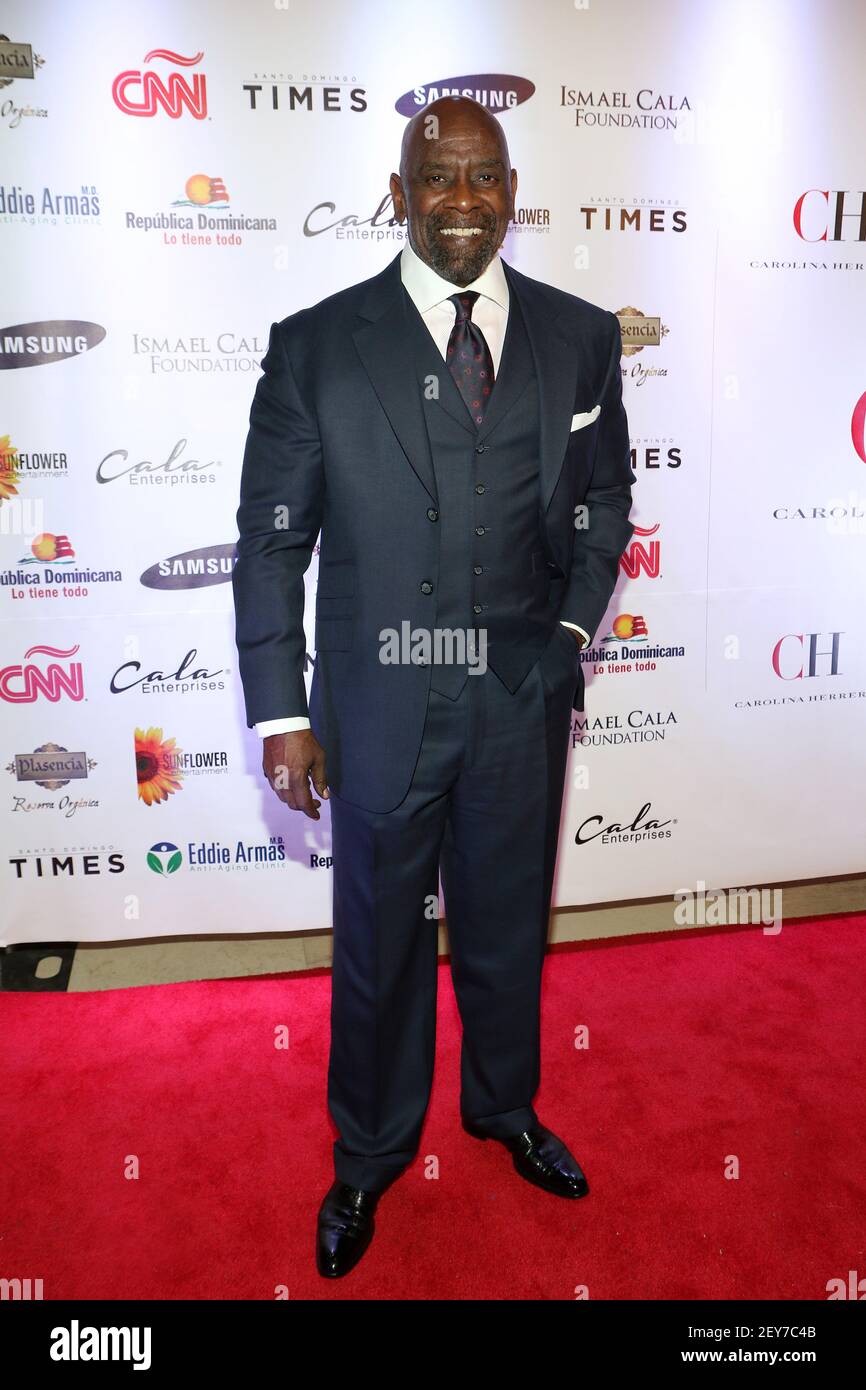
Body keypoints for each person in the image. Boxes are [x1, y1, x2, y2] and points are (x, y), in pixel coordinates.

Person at [232, 95, 635, 1279]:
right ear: (397, 191)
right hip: (380, 701)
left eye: (484, 177)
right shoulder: (315, 342)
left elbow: (605, 496)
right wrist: (283, 709)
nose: (462, 200)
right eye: (437, 177)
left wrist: (566, 630)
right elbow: (270, 541)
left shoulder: (577, 337)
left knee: (510, 929)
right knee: (381, 946)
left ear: (512, 190)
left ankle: (502, 1105)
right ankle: (367, 1154)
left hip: (519, 697)